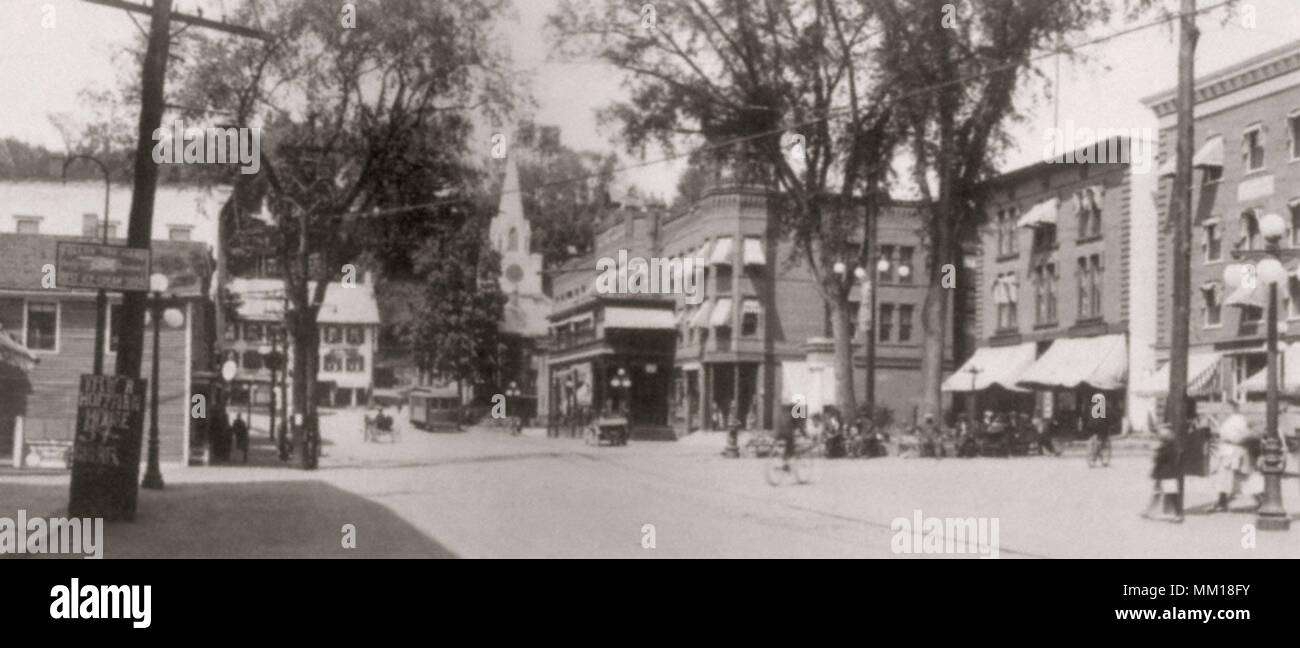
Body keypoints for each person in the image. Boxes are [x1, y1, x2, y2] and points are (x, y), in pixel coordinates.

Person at [1210, 401, 1263, 512]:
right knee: (1224, 478)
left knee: (1244, 477)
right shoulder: (1229, 420)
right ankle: (1222, 501)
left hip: (1234, 451)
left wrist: (1234, 440)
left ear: (1233, 409)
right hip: (1227, 451)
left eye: (1226, 408)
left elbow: (1245, 434)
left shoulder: (1238, 419)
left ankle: (1262, 500)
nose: (1223, 411)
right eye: (1223, 408)